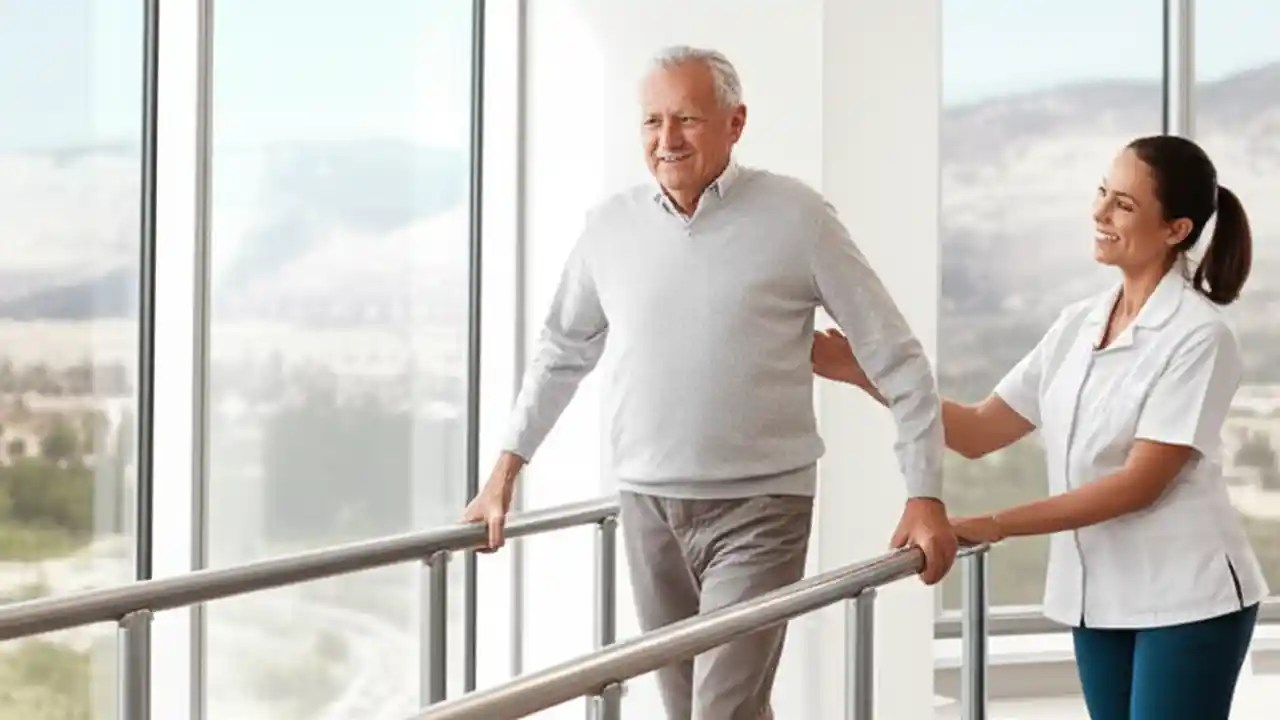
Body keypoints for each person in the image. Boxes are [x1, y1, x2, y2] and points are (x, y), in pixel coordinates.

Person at [463, 45, 957, 719]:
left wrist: (924, 492)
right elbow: (561, 350)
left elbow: (895, 355)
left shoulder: (799, 217)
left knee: (717, 711)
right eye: (652, 121)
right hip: (647, 507)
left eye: (688, 119)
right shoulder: (610, 227)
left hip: (762, 507)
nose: (667, 139)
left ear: (735, 122)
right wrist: (503, 475)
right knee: (698, 708)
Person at [812, 134, 1267, 720]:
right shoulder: (1077, 325)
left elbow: (1139, 485)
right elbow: (979, 431)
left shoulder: (1200, 336)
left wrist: (995, 524)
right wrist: (863, 373)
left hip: (1188, 599)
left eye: (1124, 204)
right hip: (1097, 599)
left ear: (1176, 229)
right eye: (1103, 192)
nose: (1099, 213)